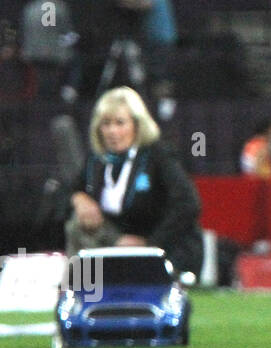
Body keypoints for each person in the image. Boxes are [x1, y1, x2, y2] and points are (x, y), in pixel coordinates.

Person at [66, 87, 203, 275]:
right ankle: (83, 284)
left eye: (120, 123)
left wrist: (150, 245)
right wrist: (79, 198)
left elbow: (188, 204)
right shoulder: (97, 160)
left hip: (166, 248)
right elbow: (70, 188)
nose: (112, 131)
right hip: (119, 244)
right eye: (106, 124)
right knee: (76, 224)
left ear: (137, 125)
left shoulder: (158, 155)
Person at [116, 0, 178, 113]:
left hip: (163, 39)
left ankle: (165, 105)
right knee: (150, 71)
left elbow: (147, 5)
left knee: (160, 72)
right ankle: (152, 102)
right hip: (152, 40)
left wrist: (126, 3)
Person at [20, 0, 80, 103]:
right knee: (77, 60)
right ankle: (69, 92)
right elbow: (68, 35)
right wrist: (73, 41)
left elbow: (24, 33)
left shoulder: (29, 8)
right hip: (55, 54)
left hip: (32, 54)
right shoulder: (61, 7)